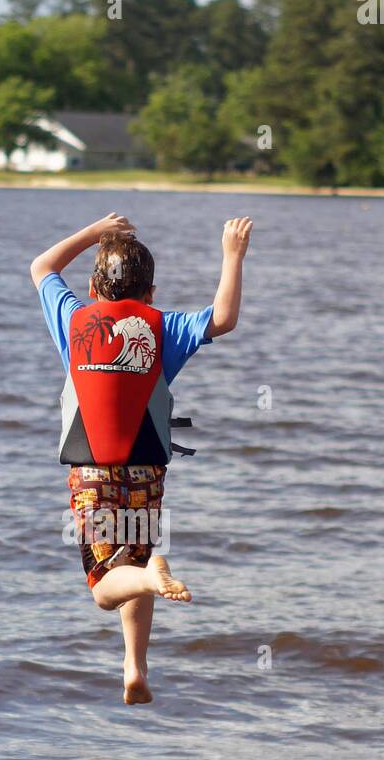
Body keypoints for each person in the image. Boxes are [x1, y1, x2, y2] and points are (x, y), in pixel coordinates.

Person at [31, 212, 252, 704]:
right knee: (134, 557)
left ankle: (150, 586)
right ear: (150, 293)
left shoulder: (72, 319)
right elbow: (224, 317)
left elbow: (42, 266)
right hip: (145, 474)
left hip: (92, 476)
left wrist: (92, 232)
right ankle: (135, 666)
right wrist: (232, 256)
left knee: (105, 586)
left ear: (91, 287)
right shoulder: (164, 328)